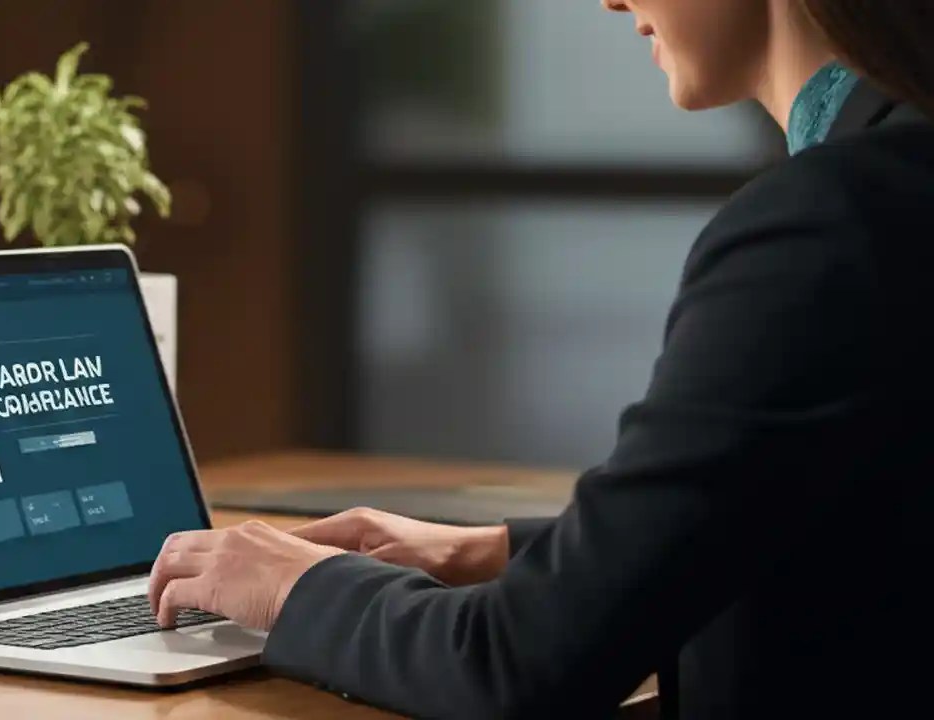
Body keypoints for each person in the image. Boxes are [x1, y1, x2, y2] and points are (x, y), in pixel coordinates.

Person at [148, 1, 934, 717]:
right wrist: (489, 551)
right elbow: (799, 517)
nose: (611, 0)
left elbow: (518, 664)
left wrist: (296, 588)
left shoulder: (827, 223)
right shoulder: (892, 175)